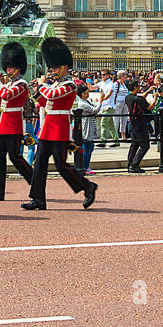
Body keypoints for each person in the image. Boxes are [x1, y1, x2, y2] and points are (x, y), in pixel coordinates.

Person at [23, 38, 96, 211]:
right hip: (47, 128)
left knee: (61, 165)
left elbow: (53, 95)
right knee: (39, 164)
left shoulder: (70, 84)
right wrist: (36, 90)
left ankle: (87, 187)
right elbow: (43, 102)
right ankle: (38, 198)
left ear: (63, 68)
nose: (52, 70)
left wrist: (42, 86)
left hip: (60, 128)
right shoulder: (55, 83)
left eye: (54, 67)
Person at [0, 42, 34, 201]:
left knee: (15, 157)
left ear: (18, 68)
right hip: (3, 124)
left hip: (13, 124)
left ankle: (35, 182)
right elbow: (0, 101)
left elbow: (8, 95)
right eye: (7, 67)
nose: (7, 70)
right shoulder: (9, 83)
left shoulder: (22, 84)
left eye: (10, 67)